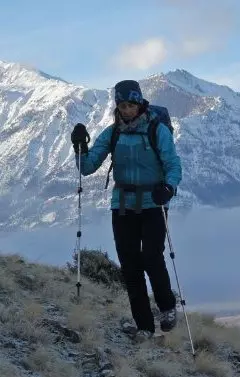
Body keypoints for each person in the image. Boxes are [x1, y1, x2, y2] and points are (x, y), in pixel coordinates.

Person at [70, 80, 182, 342]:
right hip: (122, 206)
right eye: (122, 105)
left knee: (152, 258)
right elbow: (87, 167)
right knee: (130, 267)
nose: (127, 109)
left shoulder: (157, 131)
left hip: (154, 203)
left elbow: (173, 165)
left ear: (140, 103)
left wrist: (169, 187)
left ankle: (166, 307)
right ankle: (144, 327)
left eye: (131, 104)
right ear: (117, 106)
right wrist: (79, 147)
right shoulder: (112, 133)